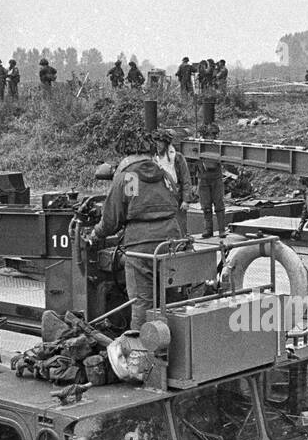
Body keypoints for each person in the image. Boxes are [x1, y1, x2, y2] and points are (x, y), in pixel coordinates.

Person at [86, 129, 186, 330]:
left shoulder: (127, 177)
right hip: (172, 241)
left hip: (141, 246)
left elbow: (112, 219)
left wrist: (95, 234)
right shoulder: (164, 175)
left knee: (141, 303)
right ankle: (178, 351)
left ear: (126, 152)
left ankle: (140, 354)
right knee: (173, 302)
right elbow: (173, 202)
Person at [155, 129, 192, 234]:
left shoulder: (178, 158)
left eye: (160, 142)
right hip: (161, 196)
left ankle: (183, 243)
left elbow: (186, 179)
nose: (158, 145)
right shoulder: (155, 159)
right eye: (157, 142)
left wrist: (186, 200)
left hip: (176, 196)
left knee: (180, 224)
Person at [195, 122, 227, 238]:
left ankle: (222, 230)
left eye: (214, 134)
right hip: (203, 178)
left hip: (216, 178)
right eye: (211, 134)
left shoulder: (218, 146)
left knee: (219, 204)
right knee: (206, 206)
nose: (213, 137)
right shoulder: (198, 145)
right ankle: (208, 229)